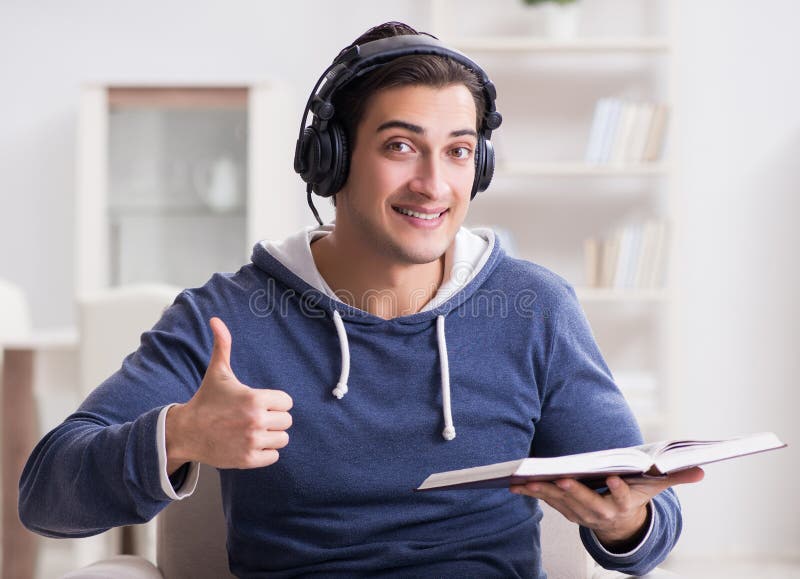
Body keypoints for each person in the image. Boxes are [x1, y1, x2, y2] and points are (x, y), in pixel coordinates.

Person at [19, 21, 702, 578]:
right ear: (332, 161)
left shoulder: (533, 309)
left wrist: (626, 522)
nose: (434, 183)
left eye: (459, 151)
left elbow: (650, 518)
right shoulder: (228, 317)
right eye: (401, 146)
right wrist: (180, 434)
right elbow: (46, 495)